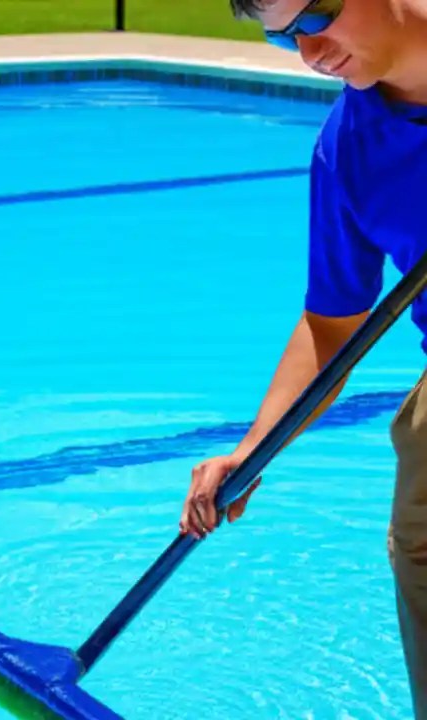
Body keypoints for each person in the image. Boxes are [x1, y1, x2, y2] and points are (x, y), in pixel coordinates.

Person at [177, 0, 427, 714]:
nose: (310, 52)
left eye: (316, 18)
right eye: (285, 37)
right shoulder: (351, 148)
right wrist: (254, 447)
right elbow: (330, 323)